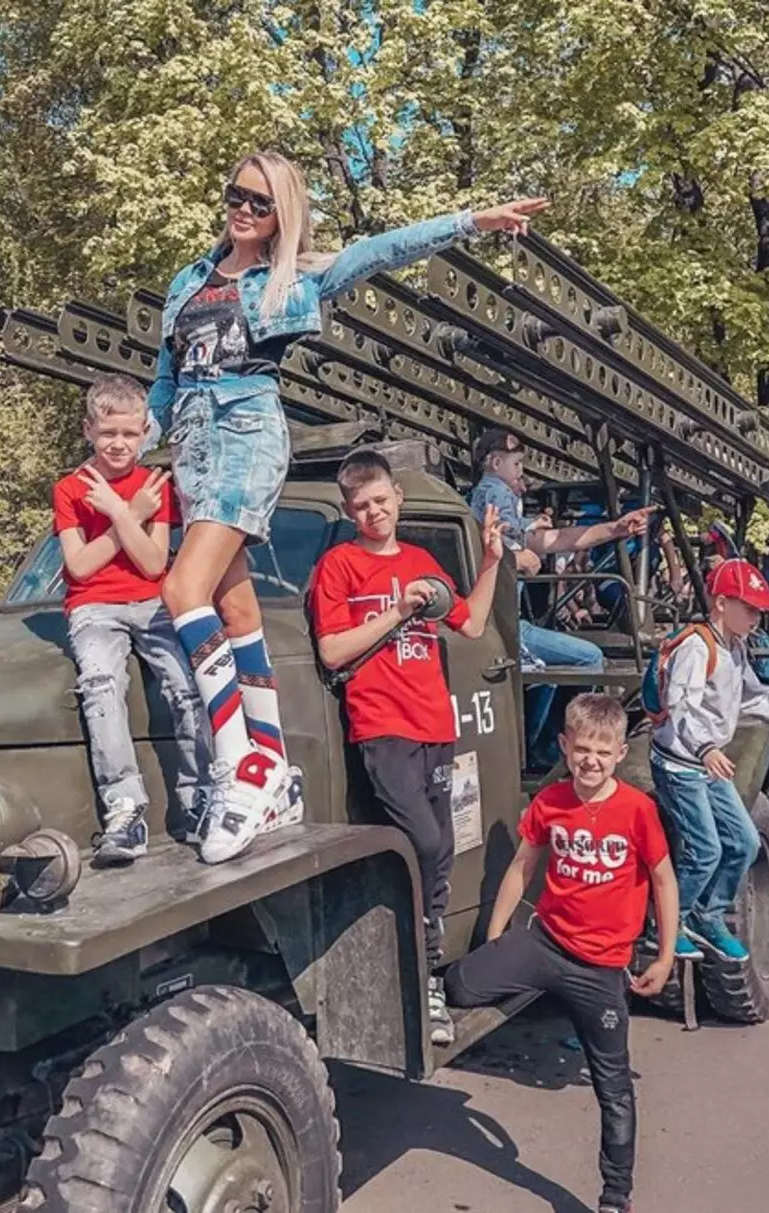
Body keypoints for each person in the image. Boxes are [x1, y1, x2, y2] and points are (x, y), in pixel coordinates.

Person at [147, 149, 548, 863]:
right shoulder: (188, 279)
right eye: (236, 194)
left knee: (183, 587)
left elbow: (376, 252)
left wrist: (469, 221)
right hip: (190, 447)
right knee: (237, 608)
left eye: (261, 203)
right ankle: (269, 763)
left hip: (246, 434)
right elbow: (163, 381)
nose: (243, 208)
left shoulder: (291, 279)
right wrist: (129, 458)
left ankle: (241, 763)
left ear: (282, 216)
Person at [446, 694, 679, 1213]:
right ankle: (528, 981)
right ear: (565, 746)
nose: (590, 761)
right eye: (581, 750)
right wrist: (497, 934)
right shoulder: (551, 801)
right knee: (460, 986)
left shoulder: (638, 811)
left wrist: (663, 957)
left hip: (601, 968)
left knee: (613, 1088)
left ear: (620, 752)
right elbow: (521, 868)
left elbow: (664, 881)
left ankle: (616, 1196)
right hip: (546, 942)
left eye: (602, 751)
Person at [310, 448, 507, 1046]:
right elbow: (332, 652)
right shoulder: (340, 566)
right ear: (350, 511)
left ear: (398, 497)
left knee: (440, 845)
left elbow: (470, 624)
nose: (374, 512)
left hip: (435, 726)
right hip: (382, 724)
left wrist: (492, 561)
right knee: (423, 841)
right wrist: (397, 609)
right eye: (361, 506)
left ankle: (429, 974)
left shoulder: (422, 559)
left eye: (381, 500)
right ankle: (423, 973)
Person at [54, 373, 212, 864]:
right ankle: (125, 809)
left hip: (151, 603)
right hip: (93, 608)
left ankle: (201, 795)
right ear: (88, 430)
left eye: (129, 433)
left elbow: (152, 563)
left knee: (187, 685)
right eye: (108, 434)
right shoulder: (69, 490)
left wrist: (121, 512)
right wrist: (131, 514)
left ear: (146, 432)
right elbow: (78, 567)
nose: (119, 444)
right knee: (101, 683)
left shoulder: (156, 486)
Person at [649, 558, 769, 961]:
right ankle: (667, 923)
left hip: (707, 764)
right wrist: (705, 750)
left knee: (744, 842)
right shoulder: (696, 647)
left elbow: (753, 698)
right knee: (705, 849)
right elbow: (680, 708)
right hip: (680, 764)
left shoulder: (735, 646)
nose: (756, 619)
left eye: (760, 611)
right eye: (750, 609)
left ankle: (706, 916)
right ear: (722, 603)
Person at [468, 428, 653, 765]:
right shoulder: (495, 491)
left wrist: (614, 529)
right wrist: (519, 557)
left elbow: (557, 539)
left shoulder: (493, 495)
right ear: (495, 462)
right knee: (582, 660)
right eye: (518, 463)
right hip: (503, 622)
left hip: (506, 620)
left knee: (566, 663)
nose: (522, 472)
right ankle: (541, 750)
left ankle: (541, 746)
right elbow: (505, 542)